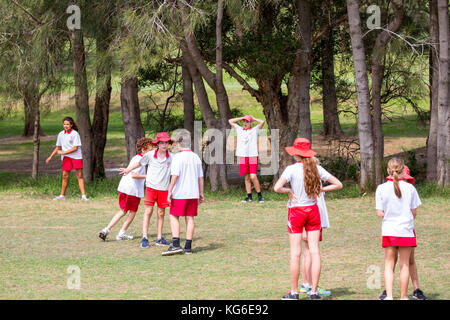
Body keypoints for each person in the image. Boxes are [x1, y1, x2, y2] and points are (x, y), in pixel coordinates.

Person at [273, 138, 342, 300]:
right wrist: (321, 189)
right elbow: (338, 184)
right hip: (313, 210)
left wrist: (288, 191)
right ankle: (314, 291)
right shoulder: (317, 168)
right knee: (315, 251)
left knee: (295, 253)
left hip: (296, 211)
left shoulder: (291, 169)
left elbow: (277, 188)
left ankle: (295, 291)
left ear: (296, 154)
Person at [378, 164, 426, 300]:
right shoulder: (410, 188)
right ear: (403, 173)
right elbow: (414, 211)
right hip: (405, 229)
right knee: (403, 264)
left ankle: (391, 295)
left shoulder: (381, 188)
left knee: (391, 264)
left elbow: (380, 212)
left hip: (390, 230)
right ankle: (402, 296)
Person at [121, 132, 174, 248]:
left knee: (161, 213)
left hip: (164, 188)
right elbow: (139, 163)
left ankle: (159, 238)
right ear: (158, 144)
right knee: (148, 211)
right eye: (162, 143)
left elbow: (176, 172)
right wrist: (128, 170)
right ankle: (144, 238)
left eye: (166, 143)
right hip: (151, 187)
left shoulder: (171, 157)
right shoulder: (150, 155)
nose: (164, 145)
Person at [98, 137, 153, 241]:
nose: (151, 153)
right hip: (132, 190)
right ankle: (120, 233)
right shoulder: (140, 159)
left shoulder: (136, 158)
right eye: (149, 150)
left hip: (125, 188)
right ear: (143, 149)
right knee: (131, 212)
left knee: (123, 210)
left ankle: (107, 230)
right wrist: (148, 176)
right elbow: (134, 175)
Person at [162, 130, 204, 256]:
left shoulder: (177, 157)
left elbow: (175, 176)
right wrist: (201, 193)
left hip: (180, 193)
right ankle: (188, 247)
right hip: (193, 193)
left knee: (174, 216)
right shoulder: (196, 157)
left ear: (179, 144)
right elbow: (200, 177)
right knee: (189, 218)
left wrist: (169, 191)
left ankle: (175, 245)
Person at [299, 157, 332, 297]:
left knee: (307, 252)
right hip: (312, 220)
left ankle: (306, 284)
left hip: (305, 218)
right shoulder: (311, 188)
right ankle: (311, 285)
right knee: (311, 252)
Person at [46, 116, 88, 201]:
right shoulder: (61, 134)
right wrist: (50, 156)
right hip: (66, 158)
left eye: (67, 124)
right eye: (64, 124)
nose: (66, 126)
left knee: (79, 175)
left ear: (71, 125)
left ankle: (83, 196)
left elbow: (75, 148)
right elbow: (58, 147)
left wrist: (63, 152)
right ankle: (62, 196)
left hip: (76, 157)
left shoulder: (75, 134)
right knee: (65, 176)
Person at [228, 115, 265, 203]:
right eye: (244, 121)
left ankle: (260, 196)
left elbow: (262, 122)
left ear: (251, 123)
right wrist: (241, 118)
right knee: (247, 177)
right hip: (243, 157)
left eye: (247, 121)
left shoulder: (254, 130)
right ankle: (249, 197)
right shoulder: (239, 129)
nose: (245, 123)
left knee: (253, 176)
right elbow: (230, 120)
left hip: (252, 156)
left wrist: (253, 118)